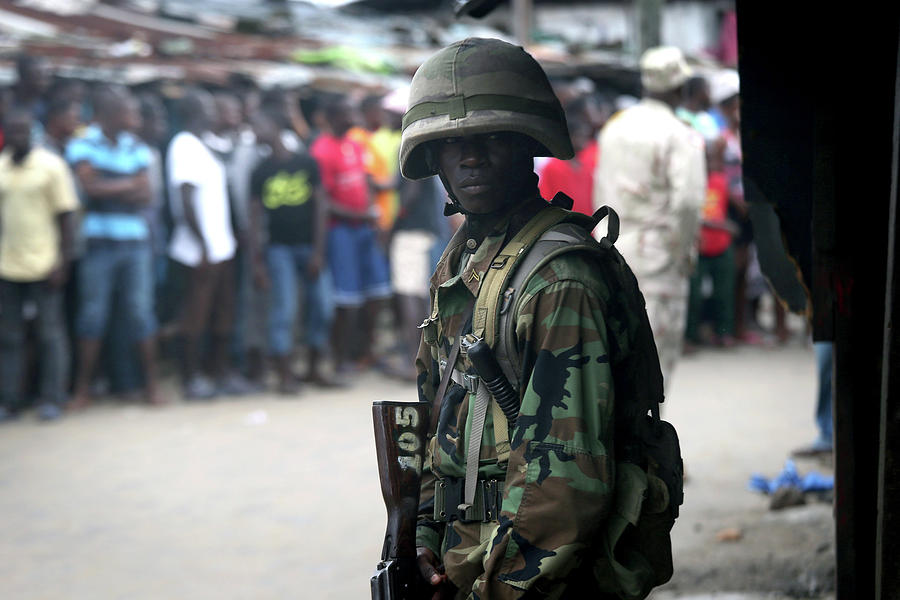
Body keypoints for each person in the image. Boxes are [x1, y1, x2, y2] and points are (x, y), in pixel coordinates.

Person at [401, 38, 655, 599]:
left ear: (528, 144)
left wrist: (494, 590)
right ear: (433, 158)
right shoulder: (467, 256)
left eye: (492, 137)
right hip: (466, 557)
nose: (471, 157)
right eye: (452, 143)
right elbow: (438, 414)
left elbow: (563, 486)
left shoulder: (558, 279)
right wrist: (421, 531)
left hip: (531, 581)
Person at [594, 46, 706, 391]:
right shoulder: (679, 133)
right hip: (658, 256)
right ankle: (645, 441)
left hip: (610, 250)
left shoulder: (615, 127)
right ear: (680, 88)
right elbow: (687, 202)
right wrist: (680, 250)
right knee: (653, 359)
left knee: (612, 355)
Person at [66, 86, 162, 409]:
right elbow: (89, 188)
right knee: (93, 315)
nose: (135, 118)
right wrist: (128, 184)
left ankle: (151, 386)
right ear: (110, 113)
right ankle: (83, 389)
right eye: (129, 112)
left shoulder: (135, 145)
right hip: (98, 244)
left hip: (135, 243)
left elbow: (146, 194)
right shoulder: (82, 143)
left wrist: (109, 185)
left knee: (140, 313)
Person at [248, 111, 337, 393]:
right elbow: (254, 219)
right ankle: (286, 375)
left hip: (309, 246)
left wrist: (319, 252)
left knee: (322, 306)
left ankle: (313, 368)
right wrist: (257, 262)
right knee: (283, 310)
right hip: (278, 250)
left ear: (275, 126)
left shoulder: (306, 163)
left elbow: (320, 207)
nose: (255, 132)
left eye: (259, 125)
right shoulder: (260, 171)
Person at [0, 109, 78, 421]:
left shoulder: (51, 166)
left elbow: (67, 216)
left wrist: (63, 260)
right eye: (13, 131)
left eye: (24, 131)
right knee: (10, 337)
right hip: (8, 265)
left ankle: (53, 397)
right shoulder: (2, 166)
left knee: (50, 334)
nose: (19, 136)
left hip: (45, 263)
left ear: (33, 132)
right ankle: (10, 399)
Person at [166, 88, 243, 399]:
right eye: (207, 107)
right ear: (193, 112)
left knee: (222, 312)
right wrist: (202, 246)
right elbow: (185, 201)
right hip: (199, 251)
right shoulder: (183, 145)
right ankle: (191, 377)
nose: (214, 111)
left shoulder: (206, 144)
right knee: (195, 315)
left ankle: (219, 372)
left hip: (221, 247)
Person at [311, 95, 391, 375]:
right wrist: (361, 216)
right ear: (333, 117)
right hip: (340, 232)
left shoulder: (355, 145)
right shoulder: (322, 151)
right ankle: (339, 359)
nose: (353, 117)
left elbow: (366, 180)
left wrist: (371, 214)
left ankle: (366, 352)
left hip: (365, 231)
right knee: (346, 300)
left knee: (378, 292)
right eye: (347, 113)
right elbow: (323, 201)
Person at [685, 137, 737, 348]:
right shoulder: (688, 184)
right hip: (698, 246)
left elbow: (735, 207)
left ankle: (723, 333)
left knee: (723, 294)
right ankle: (690, 336)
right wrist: (719, 224)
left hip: (721, 246)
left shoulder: (719, 181)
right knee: (694, 295)